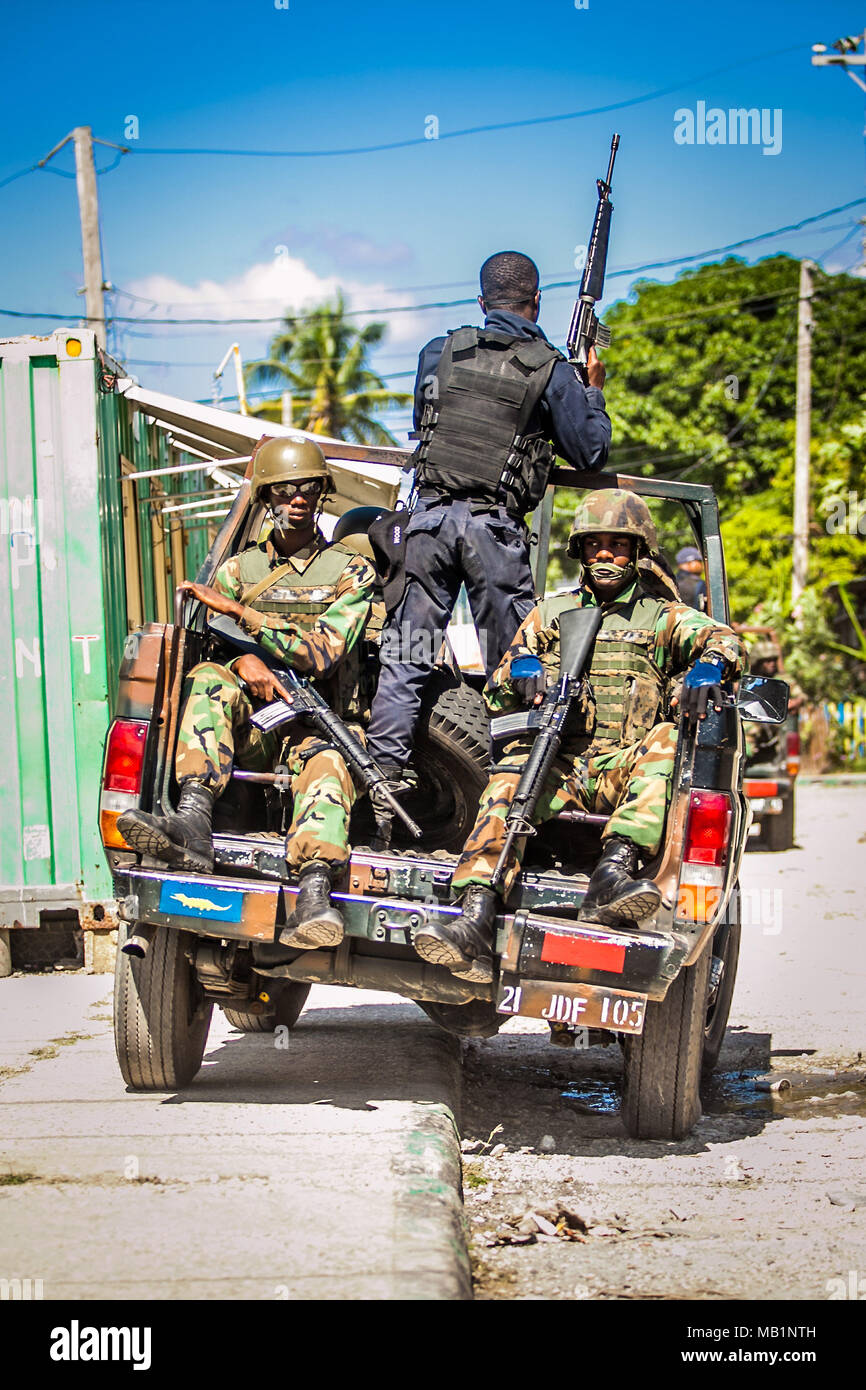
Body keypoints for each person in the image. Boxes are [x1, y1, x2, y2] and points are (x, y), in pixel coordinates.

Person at [412, 489, 745, 984]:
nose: (605, 554)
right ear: (580, 551)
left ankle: (612, 875)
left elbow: (725, 639)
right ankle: (475, 913)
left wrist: (710, 666)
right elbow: (497, 691)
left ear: (638, 551)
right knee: (508, 781)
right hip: (560, 761)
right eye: (594, 545)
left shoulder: (664, 616)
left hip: (624, 763)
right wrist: (520, 670)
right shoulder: (551, 613)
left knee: (670, 742)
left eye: (618, 544)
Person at [364, 250, 612, 800]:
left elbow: (425, 421)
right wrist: (589, 387)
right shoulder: (551, 367)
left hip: (425, 524)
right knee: (516, 661)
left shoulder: (439, 351)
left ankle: (383, 780)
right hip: (491, 532)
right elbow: (590, 452)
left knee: (407, 653)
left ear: (481, 302)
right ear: (536, 301)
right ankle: (518, 790)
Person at [118, 437, 377, 949]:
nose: (297, 499)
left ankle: (314, 894)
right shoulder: (238, 571)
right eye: (284, 490)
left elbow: (322, 652)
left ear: (322, 494)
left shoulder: (352, 570)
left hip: (314, 725)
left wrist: (243, 615)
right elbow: (210, 645)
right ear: (266, 498)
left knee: (329, 767)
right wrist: (243, 660)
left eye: (308, 488)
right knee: (209, 680)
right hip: (253, 728)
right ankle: (193, 819)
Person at [744, 636, 806, 768]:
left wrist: (789, 704)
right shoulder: (748, 680)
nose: (772, 664)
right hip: (753, 721)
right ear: (757, 662)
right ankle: (745, 753)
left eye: (774, 660)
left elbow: (801, 697)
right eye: (767, 661)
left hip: (775, 724)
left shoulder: (782, 680)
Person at [675, 546, 707, 611]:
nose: (701, 565)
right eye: (699, 561)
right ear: (689, 563)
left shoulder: (675, 581)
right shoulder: (696, 583)